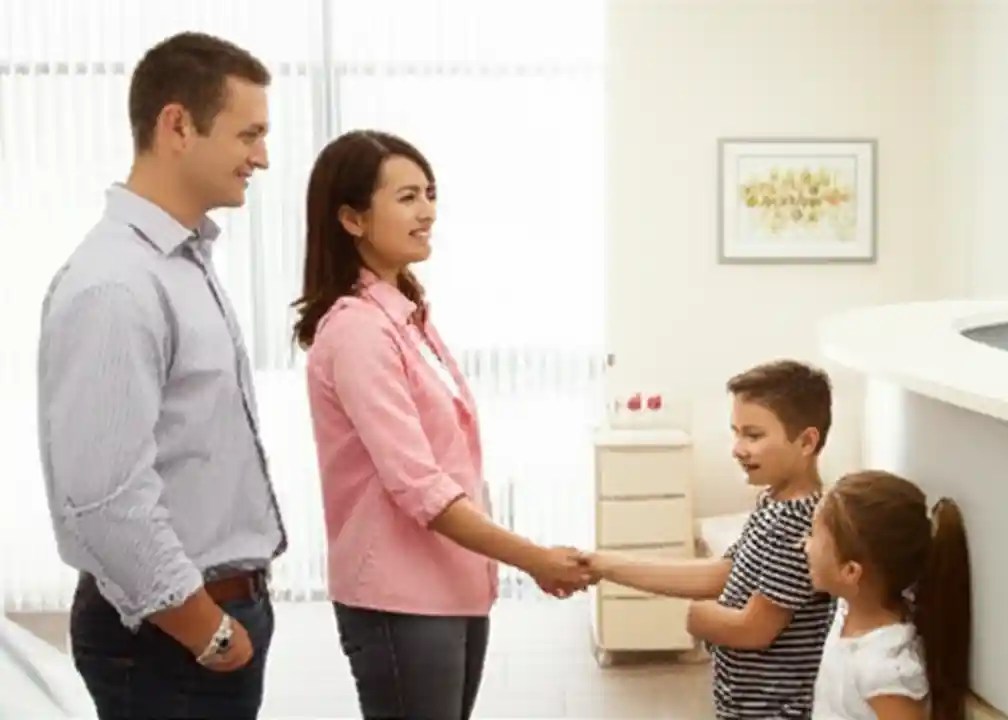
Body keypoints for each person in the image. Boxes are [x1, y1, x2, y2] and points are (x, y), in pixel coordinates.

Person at [293, 129, 592, 719]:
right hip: (399, 597)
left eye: (429, 193)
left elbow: (450, 463)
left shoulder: (406, 316)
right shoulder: (358, 330)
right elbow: (421, 487)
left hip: (450, 585)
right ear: (352, 219)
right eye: (406, 197)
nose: (427, 210)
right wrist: (531, 557)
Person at [37, 31, 284, 718]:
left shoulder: (178, 263)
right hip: (168, 641)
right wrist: (209, 632)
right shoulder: (116, 284)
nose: (262, 157)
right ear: (178, 125)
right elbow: (105, 497)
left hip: (200, 623)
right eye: (249, 134)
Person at [588, 360, 837, 719]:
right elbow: (723, 574)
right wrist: (607, 564)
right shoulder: (774, 504)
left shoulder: (796, 525)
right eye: (735, 433)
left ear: (806, 441)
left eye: (753, 436)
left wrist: (698, 618)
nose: (737, 448)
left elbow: (754, 629)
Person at [805, 471, 973, 720]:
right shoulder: (848, 609)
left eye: (813, 536)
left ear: (850, 571)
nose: (804, 544)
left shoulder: (885, 669)